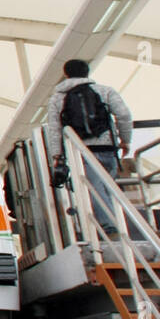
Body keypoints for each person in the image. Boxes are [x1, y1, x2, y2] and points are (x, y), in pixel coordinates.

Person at [44, 59, 133, 235]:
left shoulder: (58, 98)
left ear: (66, 74)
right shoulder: (105, 91)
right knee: (107, 186)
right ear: (87, 73)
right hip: (107, 147)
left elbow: (55, 130)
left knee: (94, 187)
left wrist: (57, 155)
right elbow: (123, 115)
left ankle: (110, 226)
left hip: (80, 150)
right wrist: (125, 140)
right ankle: (117, 225)